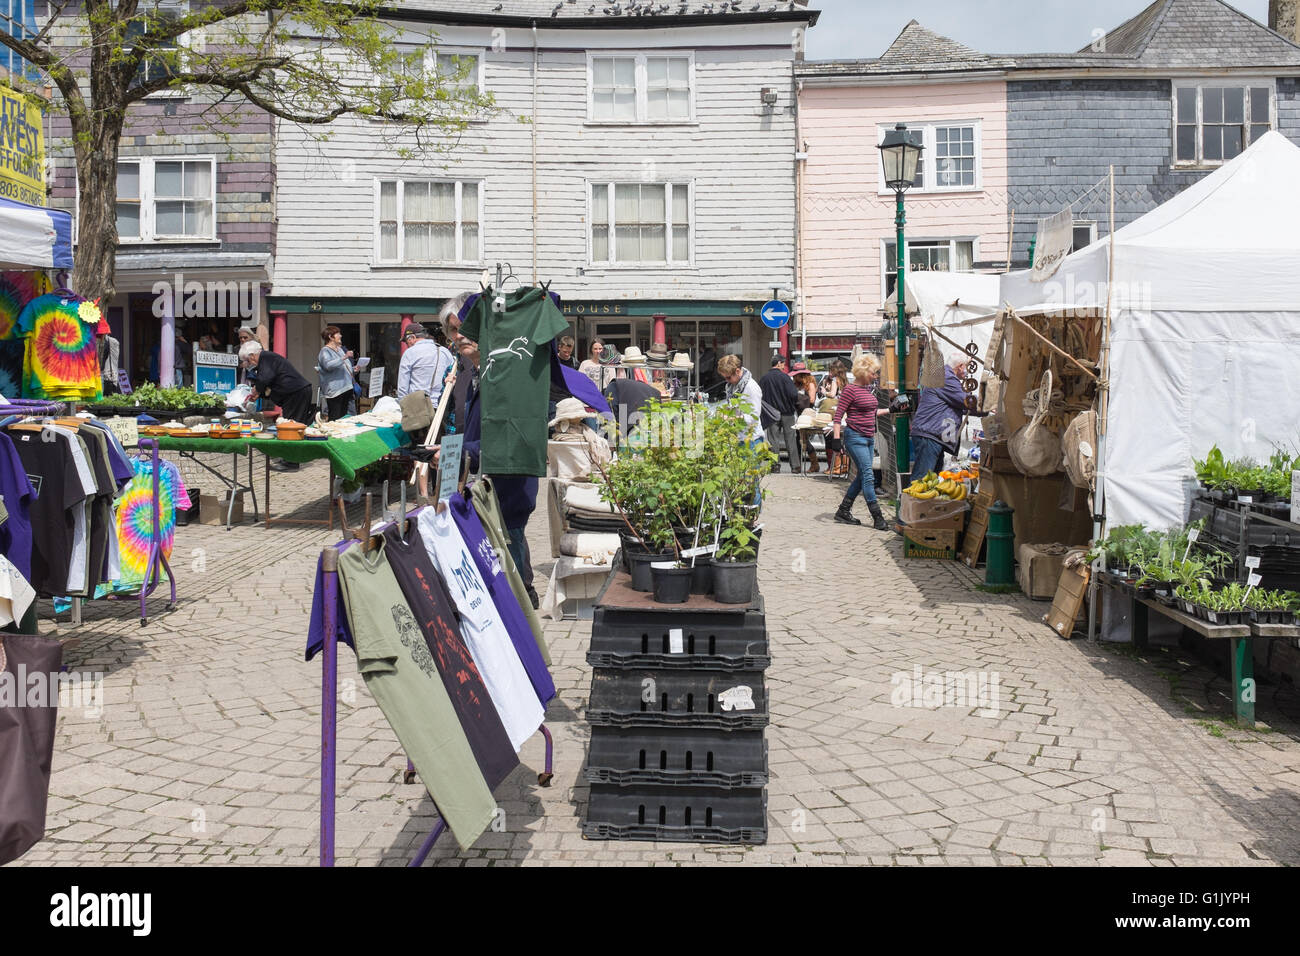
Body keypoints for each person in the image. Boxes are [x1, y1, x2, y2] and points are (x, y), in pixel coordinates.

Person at [833, 354, 890, 530]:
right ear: (864, 372)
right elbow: (838, 416)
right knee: (868, 476)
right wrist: (836, 440)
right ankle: (877, 517)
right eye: (874, 373)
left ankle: (843, 510)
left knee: (862, 475)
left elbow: (870, 412)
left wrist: (891, 409)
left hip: (868, 437)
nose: (876, 376)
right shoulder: (850, 390)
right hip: (855, 437)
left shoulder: (867, 390)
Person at [240, 341, 314, 471]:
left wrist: (256, 390)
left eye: (248, 360)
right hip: (295, 393)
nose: (249, 364)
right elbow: (270, 384)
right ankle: (290, 458)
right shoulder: (267, 359)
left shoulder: (266, 358)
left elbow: (264, 379)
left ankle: (292, 462)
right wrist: (259, 393)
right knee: (292, 424)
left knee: (291, 425)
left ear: (252, 355)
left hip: (296, 393)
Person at [911, 355, 984, 478]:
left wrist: (984, 410)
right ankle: (911, 498)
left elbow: (962, 404)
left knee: (932, 478)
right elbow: (966, 401)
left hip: (932, 434)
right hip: (929, 435)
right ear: (960, 367)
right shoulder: (946, 378)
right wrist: (987, 404)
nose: (967, 372)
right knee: (922, 478)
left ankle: (922, 497)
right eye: (966, 367)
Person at [759, 355, 801, 474]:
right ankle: (795, 466)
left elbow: (760, 395)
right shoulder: (785, 377)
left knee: (773, 440)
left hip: (771, 414)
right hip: (787, 413)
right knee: (790, 439)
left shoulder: (764, 378)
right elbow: (793, 394)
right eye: (783, 363)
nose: (784, 366)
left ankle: (775, 466)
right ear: (778, 363)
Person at [396, 322, 454, 404]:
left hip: (417, 407)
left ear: (412, 337)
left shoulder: (409, 353)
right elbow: (453, 376)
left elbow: (403, 388)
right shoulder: (445, 351)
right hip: (441, 405)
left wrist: (403, 408)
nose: (407, 345)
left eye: (406, 341)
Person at [717, 354, 764, 444]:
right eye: (725, 378)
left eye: (728, 377)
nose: (727, 380)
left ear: (738, 371)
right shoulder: (733, 386)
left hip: (751, 439)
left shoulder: (751, 387)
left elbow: (754, 416)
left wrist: (731, 419)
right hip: (739, 437)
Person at [317, 325, 356, 422]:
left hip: (346, 388)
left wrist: (354, 369)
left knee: (342, 417)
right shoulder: (325, 351)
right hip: (335, 391)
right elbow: (328, 365)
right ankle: (333, 436)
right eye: (338, 334)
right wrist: (344, 357)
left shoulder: (340, 349)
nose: (341, 336)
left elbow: (343, 366)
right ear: (330, 337)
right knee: (335, 416)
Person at [792, 368, 820, 474]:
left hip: (807, 415)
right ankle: (798, 465)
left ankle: (814, 464)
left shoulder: (810, 385)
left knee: (804, 440)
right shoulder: (797, 385)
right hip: (798, 415)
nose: (794, 378)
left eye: (796, 375)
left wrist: (799, 397)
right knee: (798, 439)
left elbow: (812, 400)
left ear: (801, 375)